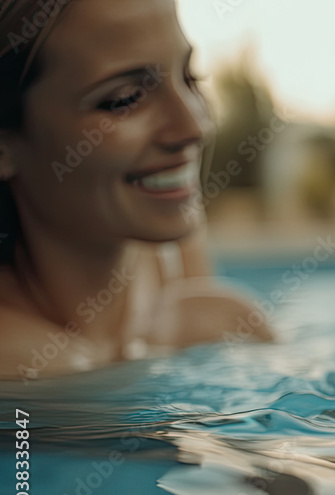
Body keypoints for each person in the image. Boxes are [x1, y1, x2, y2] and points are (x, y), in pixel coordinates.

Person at [0, 0, 272, 381]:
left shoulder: (187, 275)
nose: (193, 126)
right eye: (125, 99)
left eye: (190, 78)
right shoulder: (20, 367)